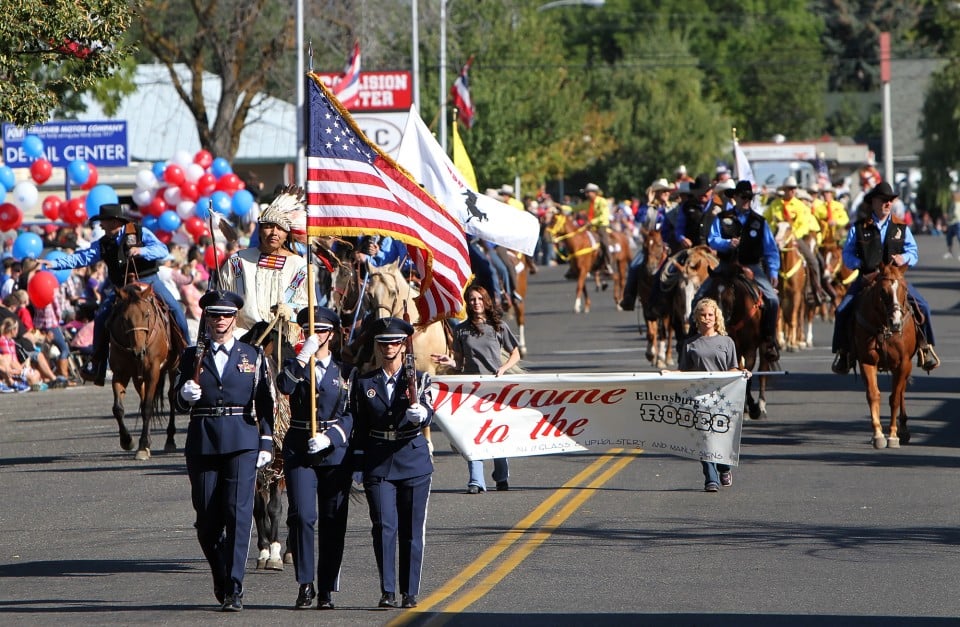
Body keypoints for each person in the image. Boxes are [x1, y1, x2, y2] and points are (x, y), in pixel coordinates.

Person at [174, 289, 276, 612]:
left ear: (235, 319)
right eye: (214, 315)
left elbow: (264, 402)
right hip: (203, 439)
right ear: (207, 318)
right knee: (206, 519)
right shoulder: (192, 356)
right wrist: (183, 395)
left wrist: (266, 440)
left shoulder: (252, 355)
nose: (220, 321)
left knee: (238, 513)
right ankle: (220, 572)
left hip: (242, 440)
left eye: (226, 315)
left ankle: (234, 587)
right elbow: (177, 401)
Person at [39, 203, 190, 386]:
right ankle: (98, 364)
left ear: (114, 222)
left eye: (103, 222)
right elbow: (83, 257)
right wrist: (55, 264)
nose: (101, 226)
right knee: (102, 316)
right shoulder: (103, 243)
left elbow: (162, 250)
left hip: (149, 281)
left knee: (174, 307)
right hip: (122, 287)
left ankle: (188, 352)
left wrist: (142, 250)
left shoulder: (139, 232)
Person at [349, 317, 434, 610]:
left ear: (403, 345)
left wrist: (420, 415)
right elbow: (358, 424)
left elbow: (430, 410)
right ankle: (387, 589)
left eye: (395, 342)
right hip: (378, 460)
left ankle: (409, 591)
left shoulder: (419, 378)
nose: (389, 347)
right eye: (384, 343)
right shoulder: (364, 382)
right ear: (377, 346)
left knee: (411, 529)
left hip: (412, 457)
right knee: (384, 526)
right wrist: (358, 461)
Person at [276, 306, 354, 610]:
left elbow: (351, 415)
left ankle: (326, 589)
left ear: (332, 335)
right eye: (310, 330)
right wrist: (301, 357)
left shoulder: (346, 371)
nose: (315, 335)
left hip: (334, 451)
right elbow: (284, 386)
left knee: (334, 522)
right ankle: (305, 583)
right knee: (303, 516)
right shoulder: (294, 364)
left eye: (321, 331)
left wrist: (331, 437)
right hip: (300, 447)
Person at [831, 182, 940, 374]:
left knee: (923, 307)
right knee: (842, 310)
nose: (887, 204)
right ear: (873, 202)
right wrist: (858, 262)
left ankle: (925, 347)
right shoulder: (859, 227)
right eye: (883, 200)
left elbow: (913, 252)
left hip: (895, 279)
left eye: (890, 200)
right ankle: (844, 352)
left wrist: (904, 258)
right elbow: (847, 254)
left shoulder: (901, 227)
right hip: (867, 278)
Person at [432, 284, 521, 494]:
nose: (476, 303)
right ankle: (476, 480)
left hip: (495, 388)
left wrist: (504, 368)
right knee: (472, 434)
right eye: (472, 299)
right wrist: (450, 362)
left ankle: (501, 475)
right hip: (471, 389)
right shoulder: (461, 329)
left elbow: (515, 353)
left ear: (486, 301)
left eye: (479, 299)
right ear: (468, 303)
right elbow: (460, 363)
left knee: (496, 433)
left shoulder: (498, 327)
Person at [695, 180, 781, 363]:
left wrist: (773, 272)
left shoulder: (759, 222)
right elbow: (713, 239)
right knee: (700, 295)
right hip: (726, 266)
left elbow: (771, 249)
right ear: (734, 197)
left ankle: (769, 339)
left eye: (749, 197)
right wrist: (727, 243)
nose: (746, 201)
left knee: (773, 300)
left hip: (752, 266)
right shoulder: (723, 218)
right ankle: (693, 334)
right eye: (743, 197)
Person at [673, 297, 749, 491]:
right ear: (697, 318)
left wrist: (742, 373)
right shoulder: (690, 344)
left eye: (710, 315)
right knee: (704, 439)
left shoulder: (727, 342)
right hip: (700, 399)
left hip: (723, 397)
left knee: (720, 438)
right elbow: (684, 371)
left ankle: (724, 467)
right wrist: (668, 374)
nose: (707, 318)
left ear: (716, 317)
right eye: (703, 315)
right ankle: (711, 478)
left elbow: (733, 368)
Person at [223, 189, 309, 343]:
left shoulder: (300, 267)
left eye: (280, 228)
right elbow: (224, 300)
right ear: (260, 230)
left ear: (287, 234)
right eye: (268, 226)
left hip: (284, 341)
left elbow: (309, 309)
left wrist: (290, 311)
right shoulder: (238, 261)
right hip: (242, 338)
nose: (274, 232)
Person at [764, 176, 829, 304]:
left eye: (793, 188)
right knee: (764, 258)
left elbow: (804, 225)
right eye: (789, 189)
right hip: (778, 237)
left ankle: (816, 290)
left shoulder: (800, 206)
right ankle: (765, 287)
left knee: (813, 261)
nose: (792, 191)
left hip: (794, 237)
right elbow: (766, 219)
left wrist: (793, 236)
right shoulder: (775, 205)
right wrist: (774, 229)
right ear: (784, 190)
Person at [582, 183, 614, 276]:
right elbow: (575, 208)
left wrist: (591, 222)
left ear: (594, 193)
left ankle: (608, 264)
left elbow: (603, 216)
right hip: (591, 227)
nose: (586, 194)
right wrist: (562, 207)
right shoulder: (587, 203)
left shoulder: (602, 201)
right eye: (586, 192)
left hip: (601, 226)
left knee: (604, 243)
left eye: (588, 192)